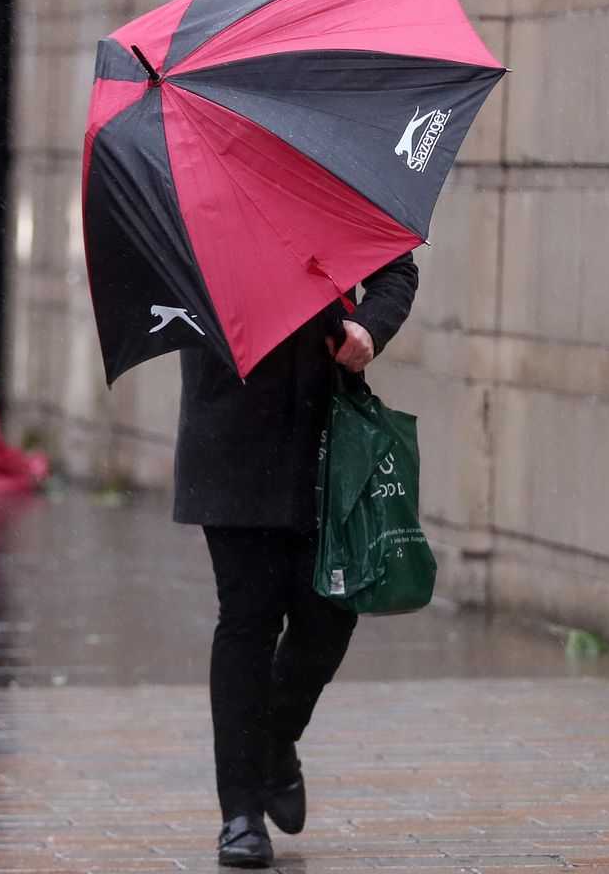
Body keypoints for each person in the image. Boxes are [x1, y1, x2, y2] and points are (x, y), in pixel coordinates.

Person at [175, 253, 418, 868]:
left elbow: (394, 271)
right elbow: (165, 285)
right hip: (229, 428)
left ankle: (274, 743)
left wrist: (369, 326)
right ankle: (240, 813)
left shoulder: (328, 166)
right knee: (249, 617)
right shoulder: (192, 182)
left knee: (330, 613)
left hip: (327, 426)